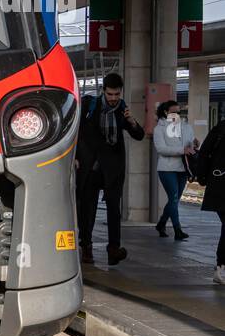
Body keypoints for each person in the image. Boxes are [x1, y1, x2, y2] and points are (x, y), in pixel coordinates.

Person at [76, 72, 145, 265]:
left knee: (114, 209)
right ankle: (86, 247)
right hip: (91, 167)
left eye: (117, 94)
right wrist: (75, 157)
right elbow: (76, 133)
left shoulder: (122, 109)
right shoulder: (90, 106)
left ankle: (113, 249)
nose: (113, 99)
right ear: (103, 91)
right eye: (110, 94)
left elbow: (139, 135)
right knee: (87, 209)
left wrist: (131, 121)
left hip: (112, 168)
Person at [152, 100, 197, 239]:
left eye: (179, 112)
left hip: (183, 167)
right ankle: (177, 230)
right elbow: (161, 149)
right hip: (167, 168)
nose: (177, 114)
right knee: (174, 197)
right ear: (166, 112)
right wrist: (181, 150)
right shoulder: (159, 129)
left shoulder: (186, 127)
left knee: (174, 200)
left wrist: (194, 144)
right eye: (174, 112)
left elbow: (190, 143)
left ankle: (161, 223)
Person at [197, 115, 225, 284]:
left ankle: (220, 266)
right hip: (220, 185)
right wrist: (202, 177)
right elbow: (204, 152)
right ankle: (220, 266)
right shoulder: (221, 129)